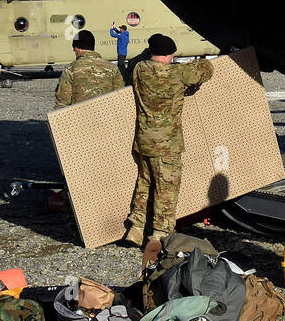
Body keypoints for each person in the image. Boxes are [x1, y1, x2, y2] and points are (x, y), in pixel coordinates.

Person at [126, 34, 212, 248]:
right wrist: (197, 62)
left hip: (144, 139)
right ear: (171, 53)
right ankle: (160, 233)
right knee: (166, 189)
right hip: (167, 143)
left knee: (145, 183)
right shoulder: (178, 73)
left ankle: (135, 228)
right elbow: (207, 70)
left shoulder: (140, 70)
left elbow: (138, 62)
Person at [54, 29, 123, 108]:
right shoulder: (112, 68)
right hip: (108, 117)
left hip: (80, 118)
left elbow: (62, 101)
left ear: (77, 48)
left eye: (74, 47)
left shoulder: (71, 69)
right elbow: (120, 97)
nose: (74, 51)